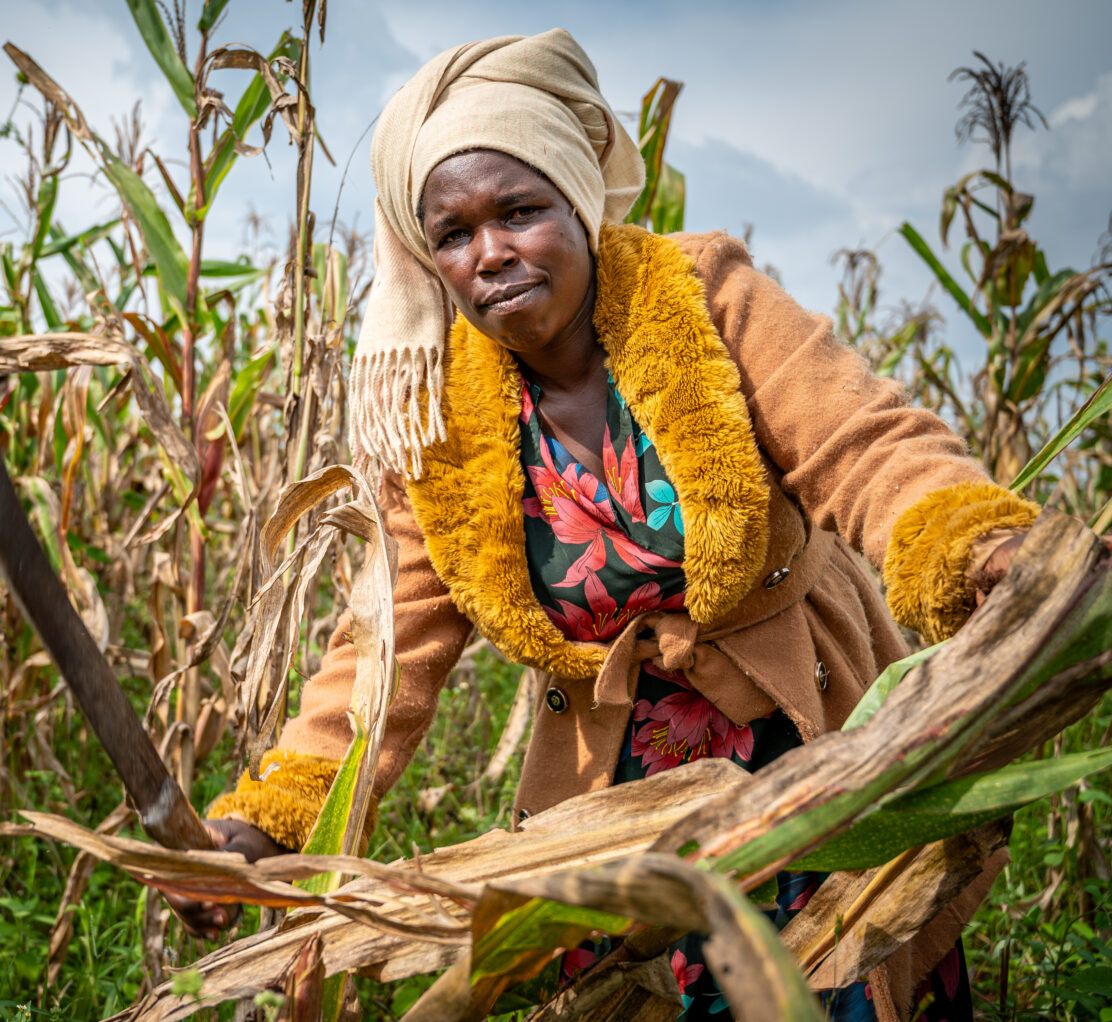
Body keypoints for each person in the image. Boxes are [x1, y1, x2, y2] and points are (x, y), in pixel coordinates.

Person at [168, 29, 1037, 1022]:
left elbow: (863, 443)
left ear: (578, 203)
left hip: (804, 760)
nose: (489, 251)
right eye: (452, 234)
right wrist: (265, 825)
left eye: (519, 211)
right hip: (619, 813)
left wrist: (971, 540)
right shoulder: (441, 424)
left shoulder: (705, 297)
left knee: (843, 984)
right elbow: (384, 655)